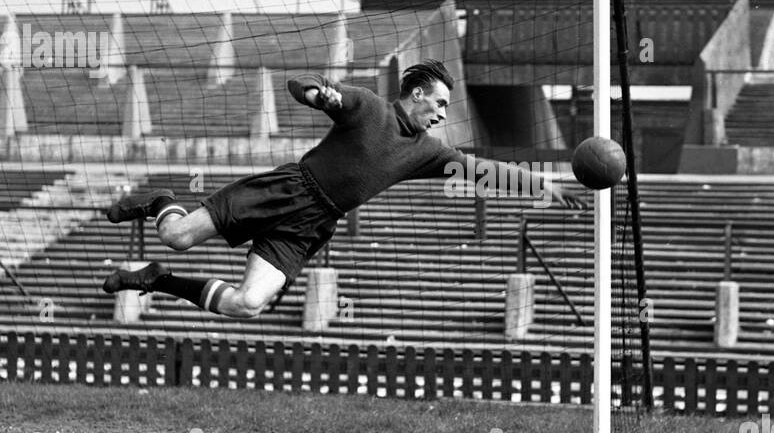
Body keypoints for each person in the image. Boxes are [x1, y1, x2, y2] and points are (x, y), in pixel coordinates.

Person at [101, 60, 582, 318]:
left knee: (248, 306)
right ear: (416, 94)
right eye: (438, 102)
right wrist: (319, 94)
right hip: (287, 189)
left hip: (311, 225)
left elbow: (482, 170)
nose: (441, 113)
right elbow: (300, 82)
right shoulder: (368, 106)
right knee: (178, 236)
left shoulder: (429, 152)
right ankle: (161, 203)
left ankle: (160, 280)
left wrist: (546, 186)